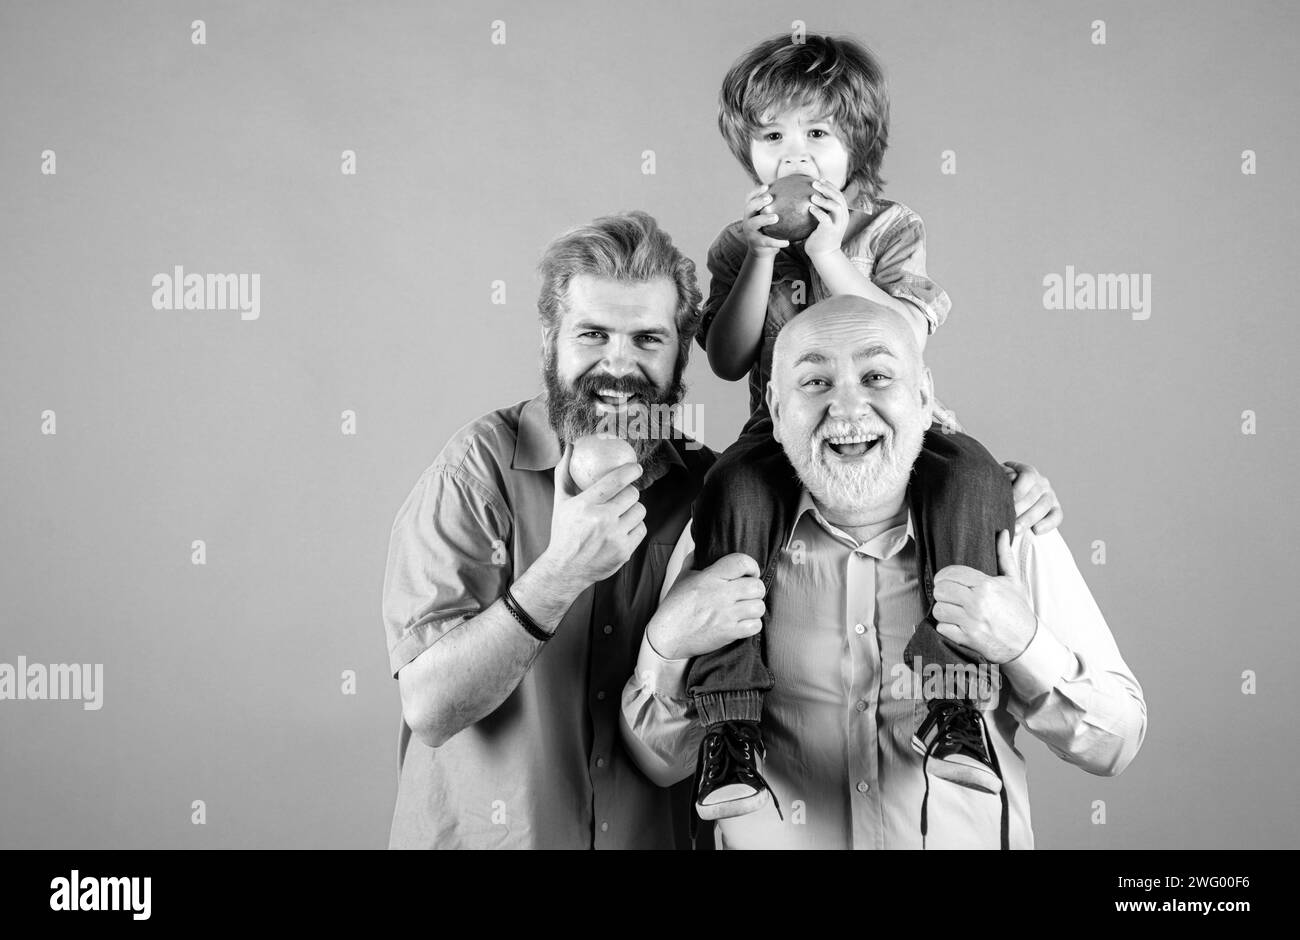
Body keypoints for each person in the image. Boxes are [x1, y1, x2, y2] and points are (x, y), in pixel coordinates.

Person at [684, 31, 1062, 822]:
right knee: (729, 490)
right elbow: (726, 357)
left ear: (857, 142)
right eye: (773, 136)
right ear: (747, 150)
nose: (796, 154)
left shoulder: (890, 228)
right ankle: (731, 725)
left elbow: (905, 334)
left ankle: (955, 706)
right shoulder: (738, 240)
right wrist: (759, 260)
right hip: (785, 432)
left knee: (972, 481)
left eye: (818, 133)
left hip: (896, 430)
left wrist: (826, 253)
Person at [621, 296, 1147, 849]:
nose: (848, 409)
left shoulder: (1008, 532)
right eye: (816, 382)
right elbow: (660, 765)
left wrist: (1024, 645)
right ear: (775, 410)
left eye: (876, 376)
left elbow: (1115, 745)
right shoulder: (723, 536)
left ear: (923, 397)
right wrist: (664, 647)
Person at [381, 211, 758, 848]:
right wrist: (562, 573)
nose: (618, 364)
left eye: (647, 339)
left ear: (680, 351)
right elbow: (431, 707)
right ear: (550, 340)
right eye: (592, 334)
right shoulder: (477, 471)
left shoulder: (714, 492)